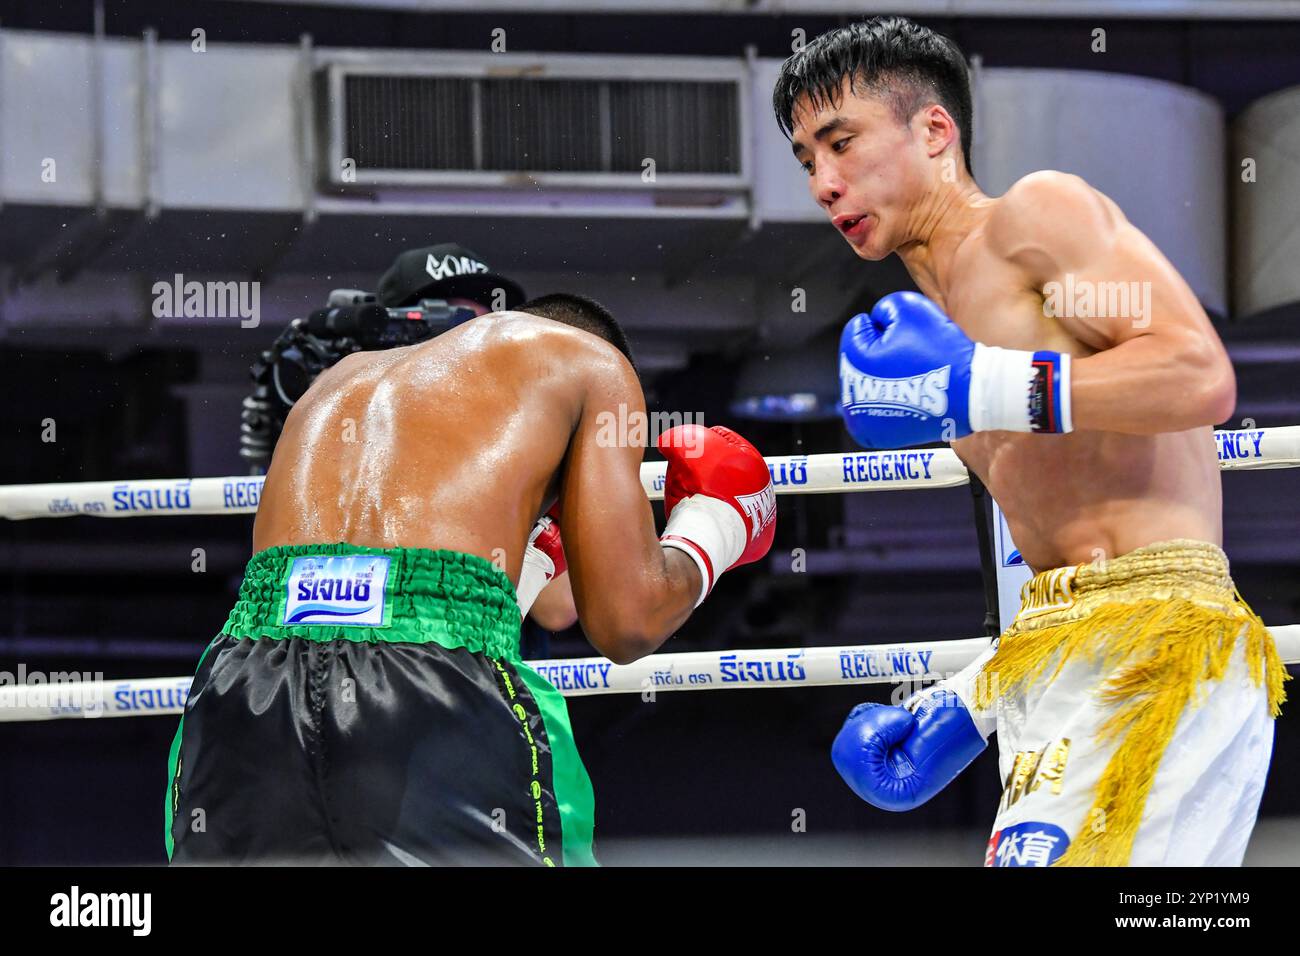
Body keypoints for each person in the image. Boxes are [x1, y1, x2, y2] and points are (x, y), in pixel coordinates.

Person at [773, 16, 1286, 866]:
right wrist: (974, 702)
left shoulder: (1034, 221)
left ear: (935, 130)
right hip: (1058, 657)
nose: (825, 182)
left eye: (841, 142)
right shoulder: (923, 337)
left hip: (1157, 640)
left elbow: (1200, 377)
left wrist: (983, 386)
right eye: (807, 161)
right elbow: (1057, 553)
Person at [166, 293, 776, 865]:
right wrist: (715, 526)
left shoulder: (341, 380)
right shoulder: (594, 361)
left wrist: (528, 558)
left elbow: (378, 594)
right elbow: (628, 622)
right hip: (427, 694)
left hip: (242, 681)